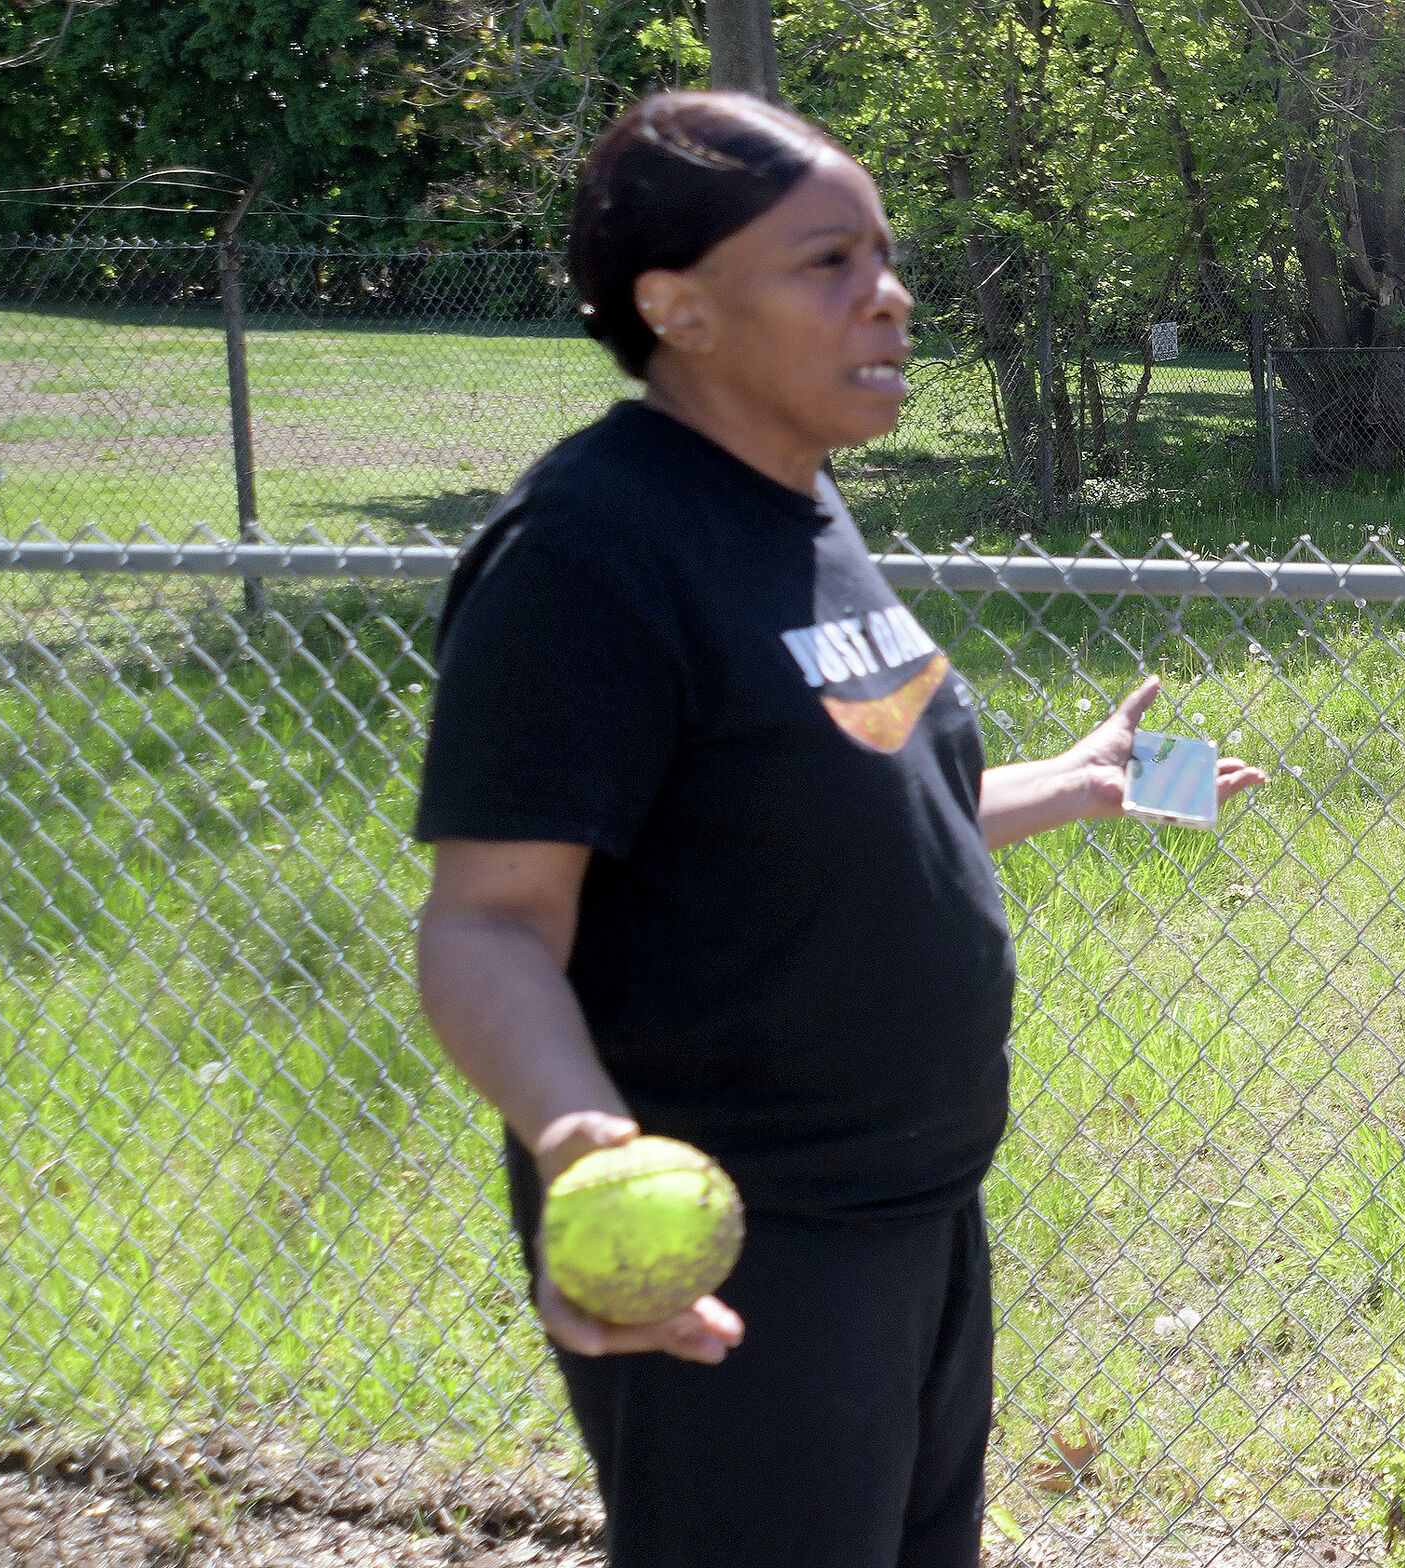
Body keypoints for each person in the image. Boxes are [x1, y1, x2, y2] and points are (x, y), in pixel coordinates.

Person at [412, 89, 1264, 1568]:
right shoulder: (590, 554)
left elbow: (846, 817)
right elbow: (485, 923)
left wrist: (1079, 780)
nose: (893, 294)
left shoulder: (797, 511)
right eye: (828, 262)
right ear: (676, 306)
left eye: (886, 253)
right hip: (744, 1248)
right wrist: (579, 1142)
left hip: (916, 1212)